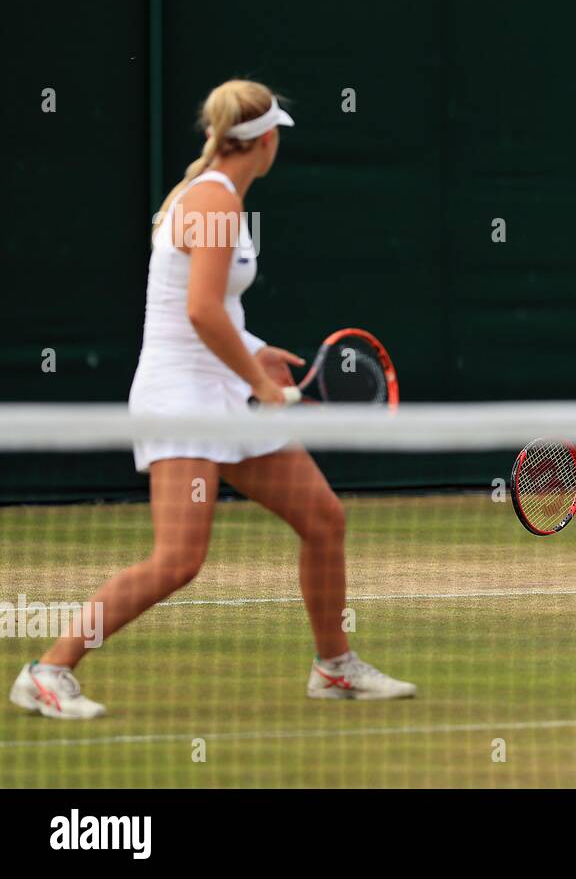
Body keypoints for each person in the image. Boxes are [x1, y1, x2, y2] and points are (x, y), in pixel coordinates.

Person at [9, 79, 414, 720]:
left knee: (323, 518)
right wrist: (257, 384)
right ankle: (48, 670)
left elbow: (210, 307)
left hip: (218, 386)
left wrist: (255, 352)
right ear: (267, 139)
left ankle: (334, 668)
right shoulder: (213, 202)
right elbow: (196, 312)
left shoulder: (215, 198)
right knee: (177, 559)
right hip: (182, 397)